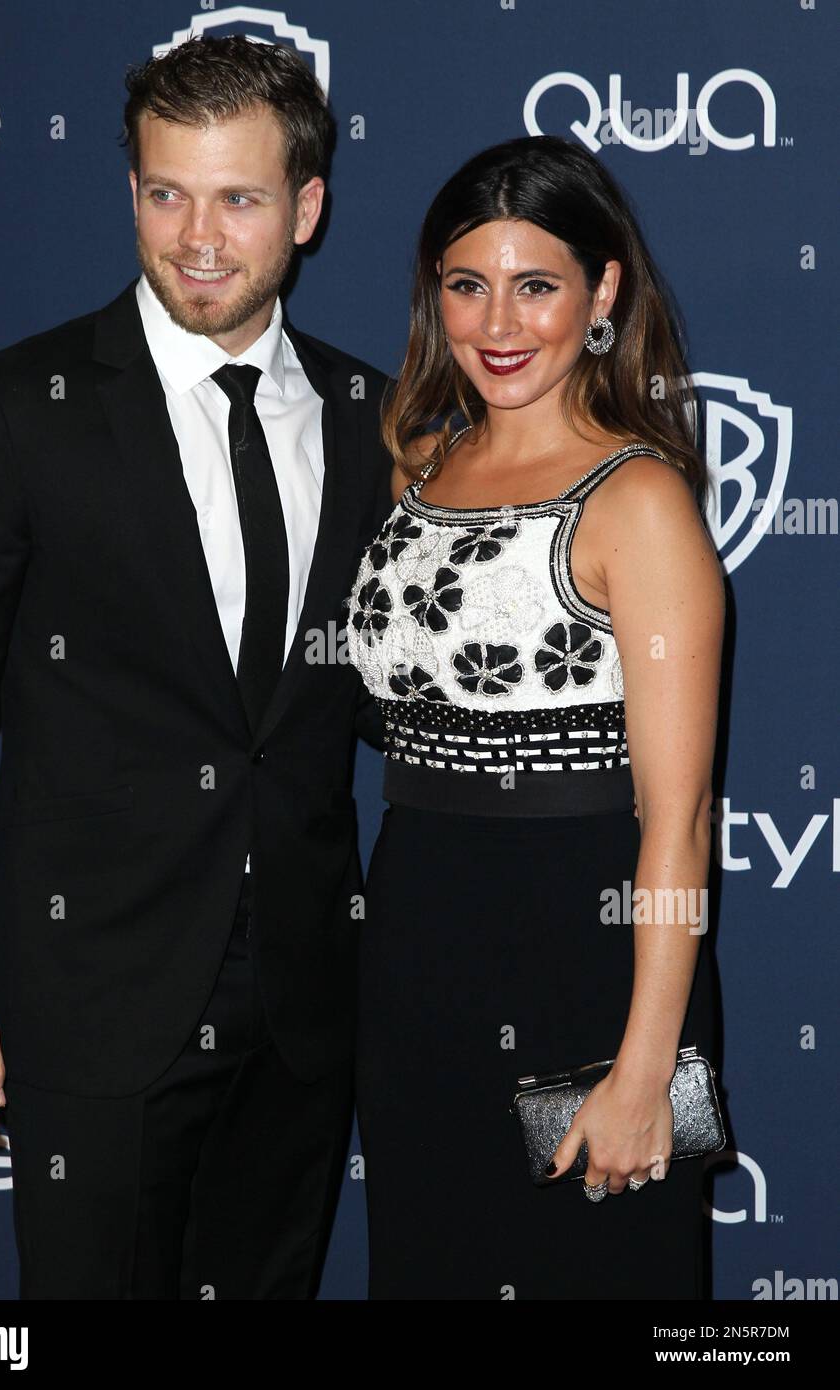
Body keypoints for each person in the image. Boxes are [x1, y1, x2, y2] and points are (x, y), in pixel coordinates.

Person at [0, 34, 392, 1299]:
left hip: (303, 1008)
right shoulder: (7, 408)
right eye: (166, 192)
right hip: (91, 1000)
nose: (197, 236)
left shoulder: (377, 417)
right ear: (130, 193)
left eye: (239, 197)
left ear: (308, 207)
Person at [346, 134, 725, 1300]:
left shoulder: (639, 498)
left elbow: (678, 817)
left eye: (537, 284)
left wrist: (644, 1067)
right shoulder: (415, 459)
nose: (498, 323)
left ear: (602, 291)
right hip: (417, 942)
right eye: (468, 285)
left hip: (583, 946)